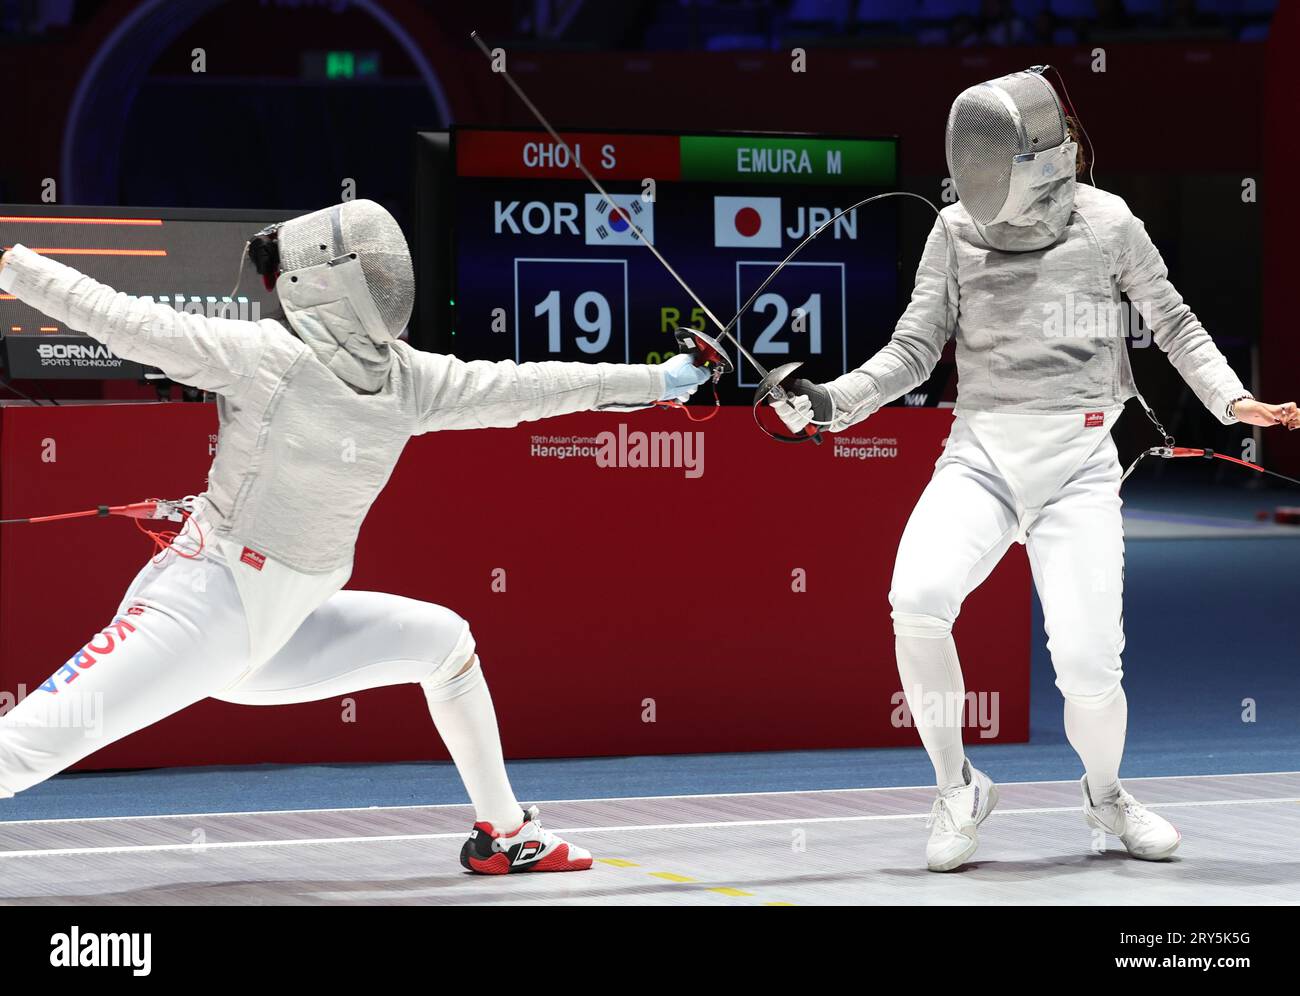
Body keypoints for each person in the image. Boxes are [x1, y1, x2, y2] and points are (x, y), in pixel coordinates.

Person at [0, 199, 709, 874]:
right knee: (20, 751)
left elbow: (530, 388)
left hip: (284, 627)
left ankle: (507, 836)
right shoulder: (267, 356)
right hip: (201, 613)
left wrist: (659, 382)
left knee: (446, 644)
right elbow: (118, 319)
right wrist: (13, 262)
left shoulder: (409, 381)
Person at [773, 70, 1298, 872]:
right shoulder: (952, 230)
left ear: (1044, 155)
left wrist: (1234, 400)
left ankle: (1105, 797)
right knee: (915, 598)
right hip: (980, 454)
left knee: (1088, 663)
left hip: (1081, 463)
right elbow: (914, 350)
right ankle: (957, 788)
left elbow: (1174, 320)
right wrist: (830, 403)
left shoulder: (1108, 222)